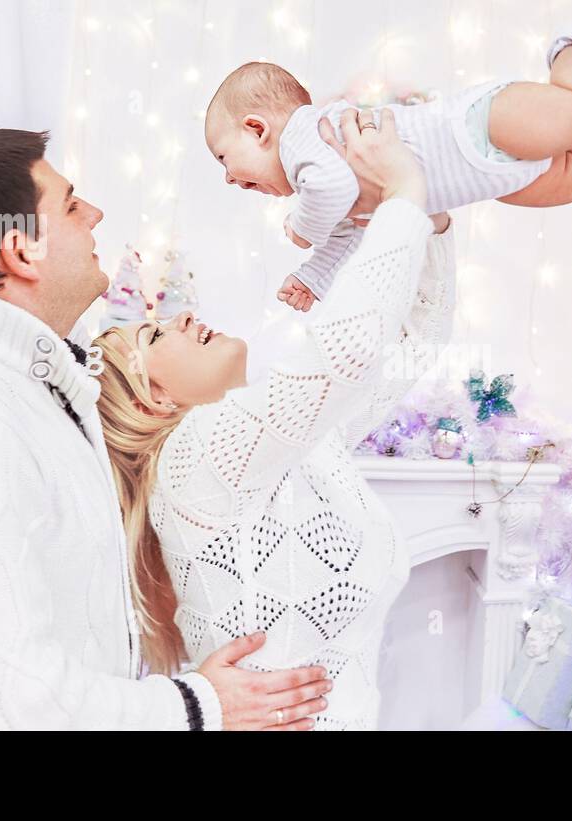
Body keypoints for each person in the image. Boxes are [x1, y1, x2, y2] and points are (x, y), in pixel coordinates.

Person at [0, 128, 330, 729]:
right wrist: (199, 706)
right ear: (20, 253)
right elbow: (17, 704)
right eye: (71, 205)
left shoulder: (22, 382)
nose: (95, 214)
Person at [94, 107, 456, 729]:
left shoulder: (292, 450)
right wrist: (402, 198)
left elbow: (412, 343)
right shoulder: (194, 459)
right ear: (153, 400)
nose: (180, 318)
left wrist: (433, 219)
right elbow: (345, 349)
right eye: (154, 335)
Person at [204, 26, 572, 310]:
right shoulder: (314, 182)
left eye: (224, 158)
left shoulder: (306, 135)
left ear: (257, 128)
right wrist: (313, 277)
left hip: (478, 128)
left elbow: (332, 188)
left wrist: (303, 227)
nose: (227, 178)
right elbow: (348, 236)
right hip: (482, 178)